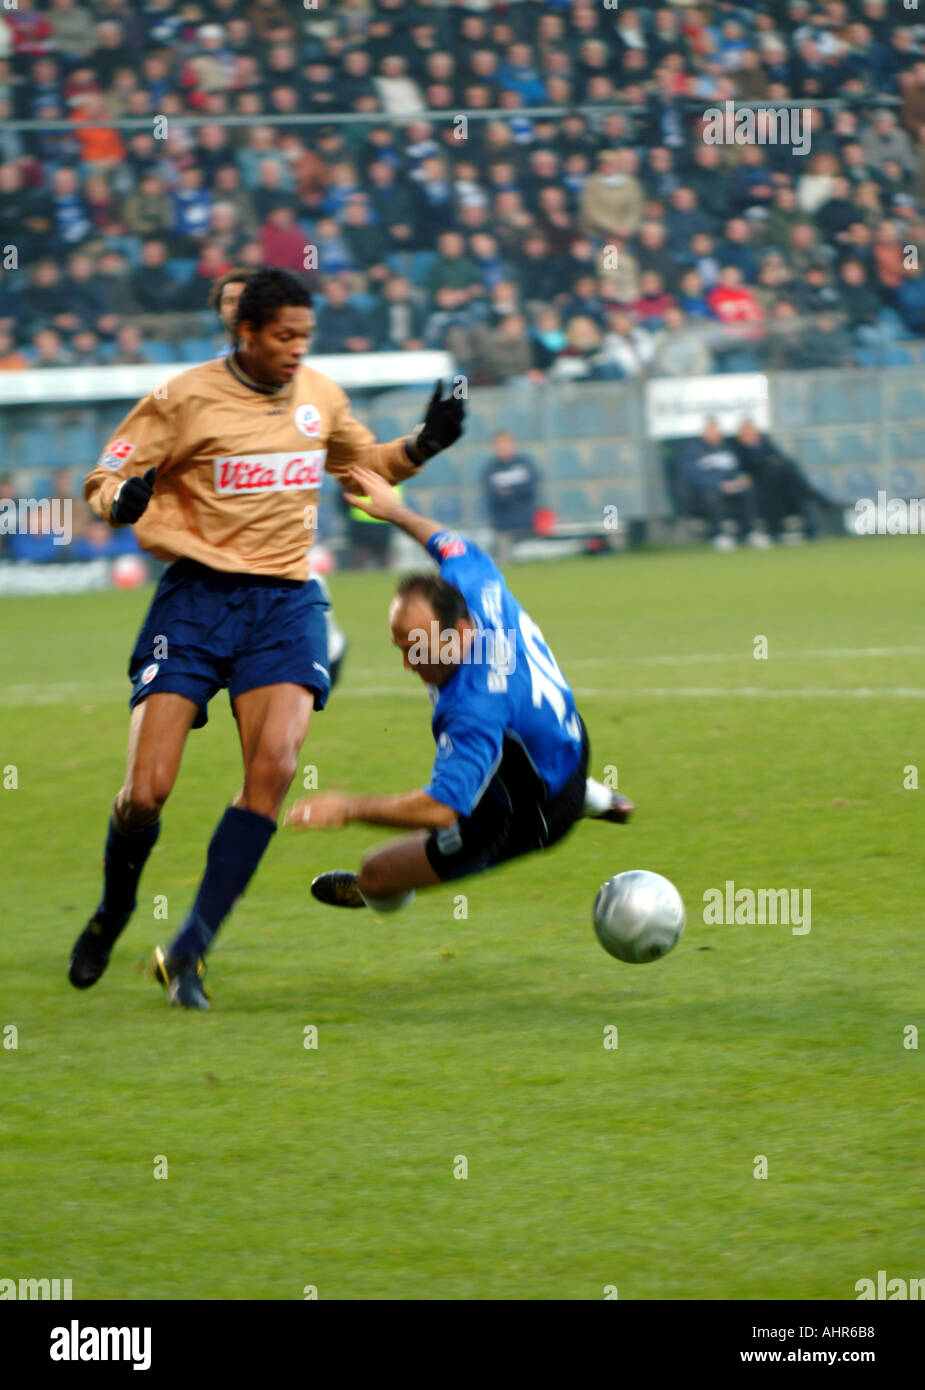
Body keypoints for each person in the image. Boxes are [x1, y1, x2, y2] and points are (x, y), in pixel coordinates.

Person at [67, 267, 464, 1009]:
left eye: (304, 337)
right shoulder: (182, 398)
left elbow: (360, 469)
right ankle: (115, 908)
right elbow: (105, 476)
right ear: (245, 333)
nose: (295, 350)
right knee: (146, 794)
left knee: (274, 768)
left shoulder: (319, 397)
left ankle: (188, 952)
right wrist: (122, 499)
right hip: (195, 601)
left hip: (285, 604)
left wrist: (425, 443)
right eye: (283, 336)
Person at [286, 466, 633, 915]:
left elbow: (440, 809)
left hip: (528, 814)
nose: (410, 664)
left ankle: (389, 888)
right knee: (511, 751)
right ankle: (588, 792)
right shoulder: (476, 581)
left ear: (462, 632)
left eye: (420, 650)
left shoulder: (472, 707)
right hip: (568, 741)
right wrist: (396, 512)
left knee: (377, 876)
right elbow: (448, 543)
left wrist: (348, 807)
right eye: (402, 648)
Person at [210, 266, 349, 679]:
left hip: (279, 491)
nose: (234, 308)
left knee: (282, 573)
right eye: (227, 301)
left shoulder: (287, 368)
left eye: (241, 299)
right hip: (231, 498)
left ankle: (318, 638)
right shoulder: (211, 375)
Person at [732, 420, 840, 540]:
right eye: (746, 432)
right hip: (760, 483)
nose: (749, 435)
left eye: (751, 431)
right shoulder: (738, 449)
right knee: (789, 476)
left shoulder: (764, 444)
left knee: (794, 484)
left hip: (778, 481)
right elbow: (747, 468)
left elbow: (783, 459)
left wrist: (771, 462)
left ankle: (812, 525)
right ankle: (820, 499)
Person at [676, 418, 769, 551]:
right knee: (711, 495)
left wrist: (741, 479)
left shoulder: (726, 449)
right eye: (711, 431)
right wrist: (718, 484)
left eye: (716, 431)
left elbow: (737, 470)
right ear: (704, 432)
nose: (714, 434)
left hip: (731, 487)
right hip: (707, 490)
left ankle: (751, 532)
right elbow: (690, 476)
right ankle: (719, 535)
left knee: (748, 490)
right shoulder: (693, 451)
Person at [481, 430, 541, 563]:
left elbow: (530, 487)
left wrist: (508, 491)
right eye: (500, 444)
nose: (504, 447)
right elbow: (493, 495)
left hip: (527, 522)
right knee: (507, 565)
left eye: (506, 443)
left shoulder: (525, 464)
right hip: (503, 526)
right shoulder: (490, 469)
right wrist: (516, 491)